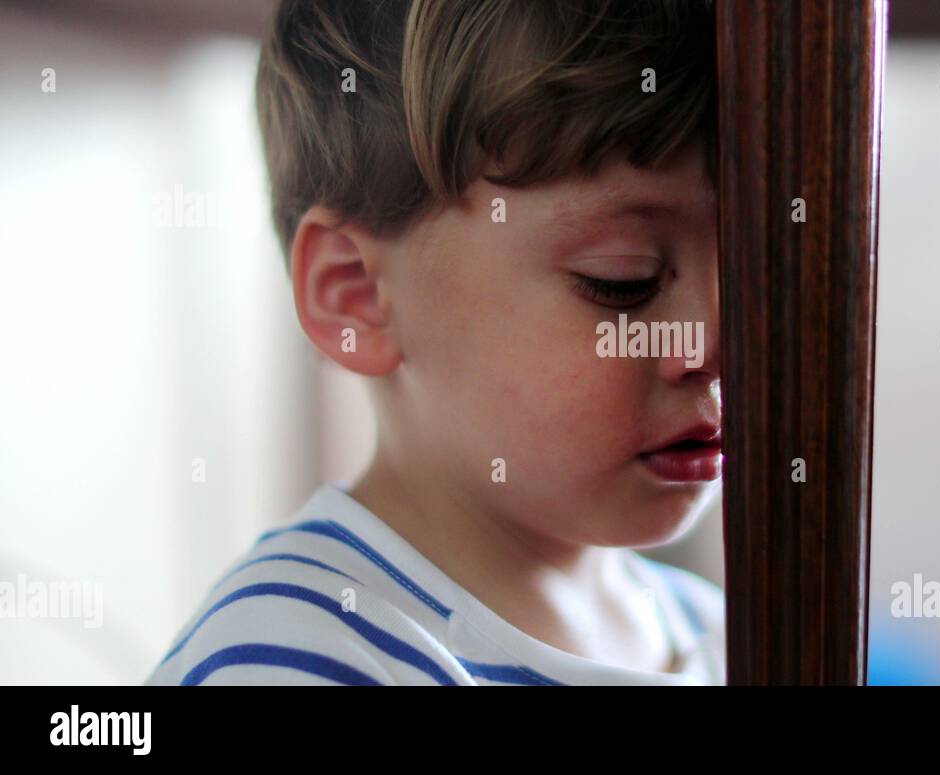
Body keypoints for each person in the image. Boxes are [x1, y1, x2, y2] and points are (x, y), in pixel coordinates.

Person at [145, 0, 726, 686]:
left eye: (754, 274)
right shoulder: (295, 653)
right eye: (625, 280)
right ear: (356, 294)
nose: (712, 342)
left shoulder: (718, 628)